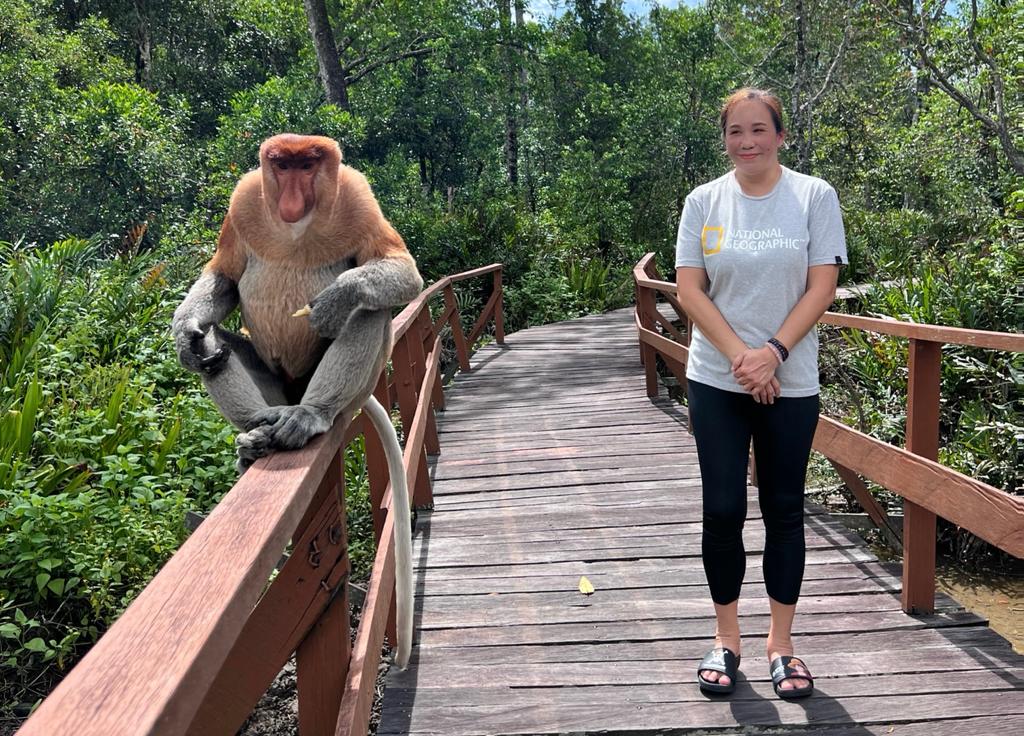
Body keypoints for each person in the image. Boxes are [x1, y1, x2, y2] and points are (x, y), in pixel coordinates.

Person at [674, 88, 847, 698]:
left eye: (758, 130)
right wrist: (742, 360)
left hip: (791, 379)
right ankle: (727, 638)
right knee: (722, 510)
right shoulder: (704, 201)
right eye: (735, 132)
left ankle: (782, 643)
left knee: (784, 510)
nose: (746, 142)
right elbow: (690, 289)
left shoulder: (813, 196)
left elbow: (822, 285)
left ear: (780, 134)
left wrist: (772, 353)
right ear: (724, 139)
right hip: (717, 379)